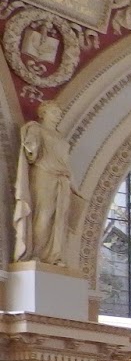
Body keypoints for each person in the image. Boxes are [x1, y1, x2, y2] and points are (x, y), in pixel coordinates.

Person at [13, 101, 74, 266]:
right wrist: (31, 146)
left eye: (59, 112)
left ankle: (55, 256)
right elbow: (30, 147)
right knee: (44, 214)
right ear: (43, 113)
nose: (58, 115)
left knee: (60, 218)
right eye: (54, 111)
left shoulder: (60, 136)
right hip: (44, 174)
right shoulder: (36, 129)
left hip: (62, 178)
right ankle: (36, 252)